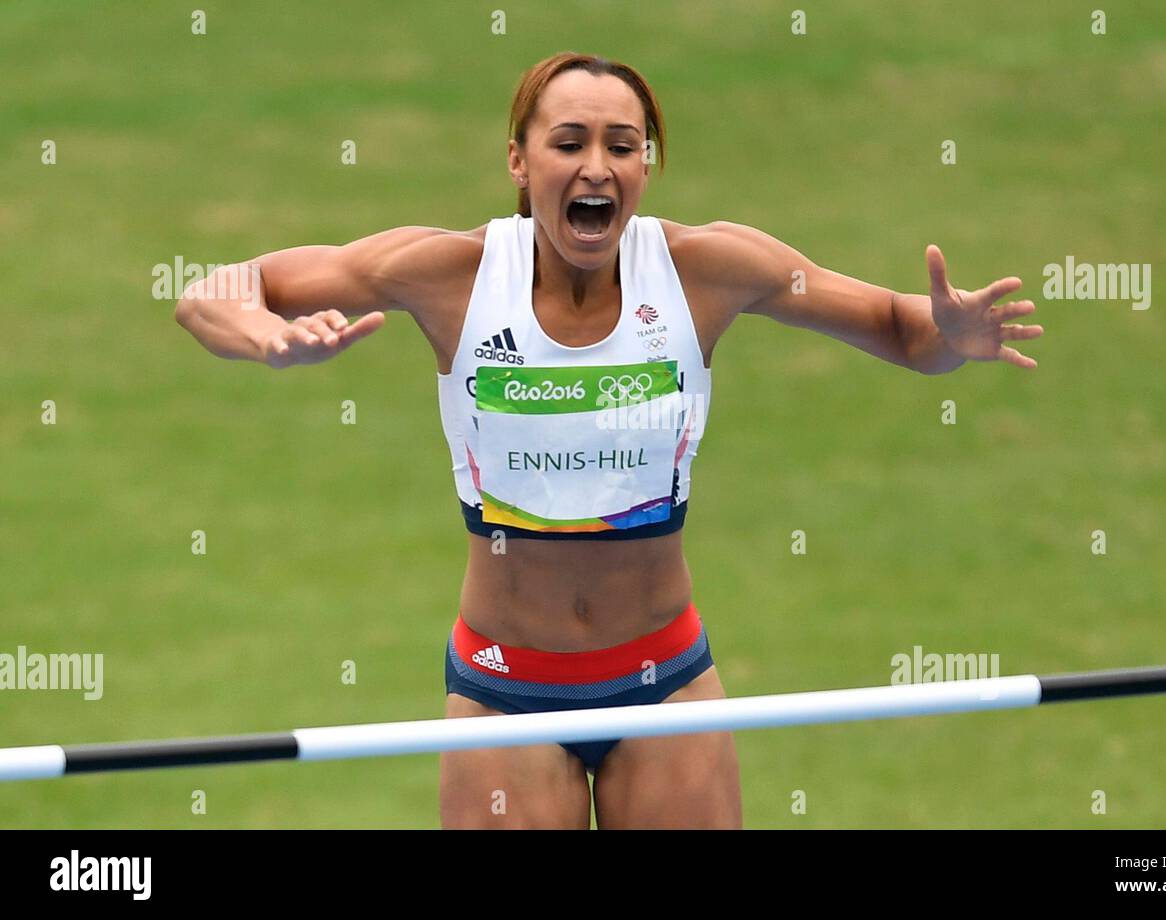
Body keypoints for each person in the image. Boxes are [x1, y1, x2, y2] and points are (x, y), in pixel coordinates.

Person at [174, 51, 1042, 829]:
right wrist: (263, 337)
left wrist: (951, 340)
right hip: (504, 693)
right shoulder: (449, 275)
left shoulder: (710, 268)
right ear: (520, 161)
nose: (598, 167)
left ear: (646, 166)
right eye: (570, 142)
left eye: (624, 146)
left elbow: (898, 327)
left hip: (665, 686)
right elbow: (214, 291)